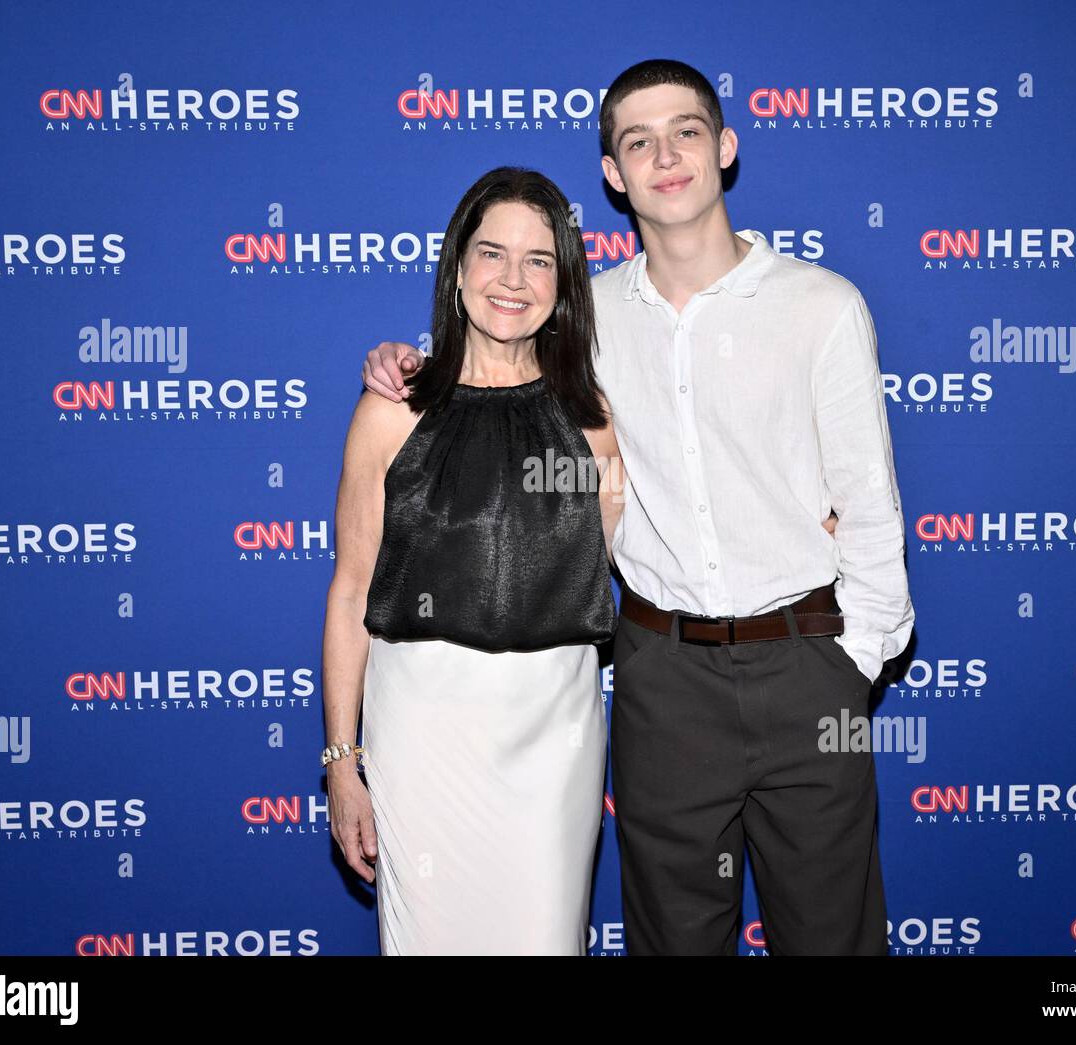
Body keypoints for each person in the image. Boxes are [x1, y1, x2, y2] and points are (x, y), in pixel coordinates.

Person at [361, 59, 914, 956]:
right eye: (637, 141)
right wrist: (399, 363)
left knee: (835, 937)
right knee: (672, 940)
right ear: (613, 174)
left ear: (725, 148)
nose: (666, 156)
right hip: (663, 678)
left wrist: (853, 664)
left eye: (686, 131)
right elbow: (481, 382)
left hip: (812, 666)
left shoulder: (822, 307)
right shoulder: (585, 324)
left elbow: (872, 509)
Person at [322, 166, 624, 955]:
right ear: (458, 270)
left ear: (564, 283)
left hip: (552, 728)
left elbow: (659, 550)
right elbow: (352, 588)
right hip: (421, 728)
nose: (512, 279)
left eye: (538, 259)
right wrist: (343, 762)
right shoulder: (394, 408)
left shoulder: (593, 420)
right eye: (492, 253)